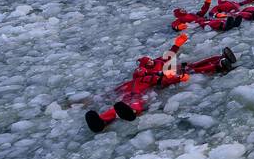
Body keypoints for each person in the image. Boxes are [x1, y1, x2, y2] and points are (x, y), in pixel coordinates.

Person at [85, 34, 237, 132]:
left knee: (193, 66)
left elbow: (170, 54)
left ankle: (220, 59)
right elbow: (160, 79)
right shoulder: (142, 77)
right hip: (138, 93)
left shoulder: (156, 65)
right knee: (131, 104)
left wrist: (178, 44)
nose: (150, 62)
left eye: (149, 61)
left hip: (169, 75)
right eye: (147, 63)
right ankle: (103, 121)